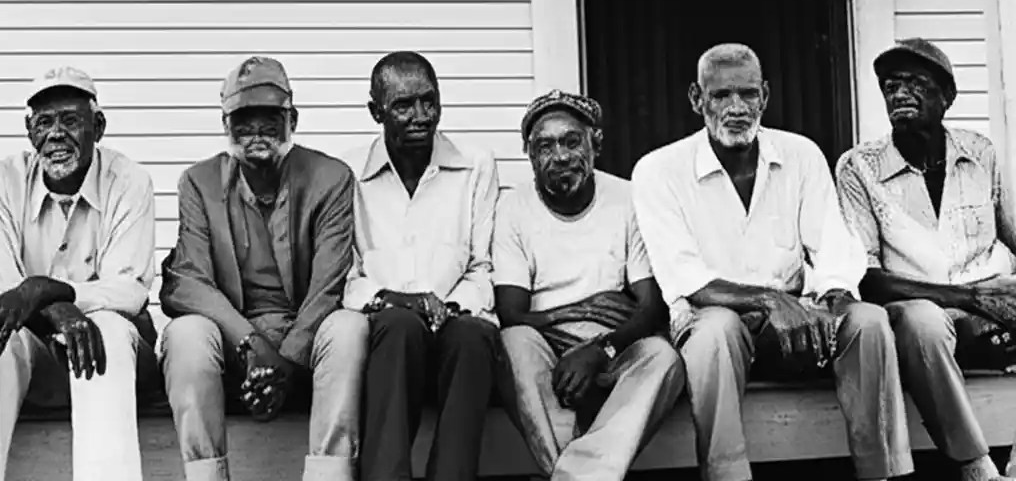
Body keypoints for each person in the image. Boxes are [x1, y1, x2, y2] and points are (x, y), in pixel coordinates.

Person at [632, 43, 913, 481]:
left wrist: (835, 294)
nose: (737, 108)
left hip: (796, 314)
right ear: (695, 99)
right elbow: (686, 279)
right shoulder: (659, 169)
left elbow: (832, 242)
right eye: (721, 96)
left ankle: (884, 472)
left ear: (765, 95)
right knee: (714, 333)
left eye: (747, 94)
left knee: (869, 321)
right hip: (714, 318)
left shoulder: (800, 154)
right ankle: (727, 475)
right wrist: (769, 301)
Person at [158, 56, 367, 481]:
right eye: (243, 120)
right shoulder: (198, 182)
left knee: (349, 328)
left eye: (269, 118)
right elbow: (189, 281)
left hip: (305, 339)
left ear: (292, 118)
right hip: (236, 341)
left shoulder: (331, 177)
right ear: (225, 124)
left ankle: (328, 475)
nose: (256, 131)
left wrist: (285, 362)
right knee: (185, 334)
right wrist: (253, 346)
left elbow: (328, 285)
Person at [0, 66, 158, 481]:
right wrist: (53, 307)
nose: (56, 134)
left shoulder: (130, 181)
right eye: (44, 122)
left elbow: (129, 290)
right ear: (29, 131)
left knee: (106, 331)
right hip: (35, 358)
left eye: (70, 120)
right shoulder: (0, 182)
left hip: (117, 361)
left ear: (98, 126)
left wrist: (46, 290)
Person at [837, 38, 1016, 481]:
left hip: (992, 295)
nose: (899, 93)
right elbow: (867, 278)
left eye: (916, 82)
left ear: (947, 97)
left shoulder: (981, 153)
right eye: (890, 84)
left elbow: (1011, 229)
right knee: (925, 323)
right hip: (918, 306)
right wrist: (970, 298)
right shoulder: (858, 167)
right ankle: (976, 465)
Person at [494, 90, 684, 481]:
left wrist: (602, 348)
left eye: (571, 141)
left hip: (615, 342)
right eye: (544, 146)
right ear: (529, 156)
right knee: (512, 344)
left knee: (663, 359)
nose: (560, 155)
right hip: (545, 340)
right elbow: (512, 313)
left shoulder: (628, 197)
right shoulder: (513, 209)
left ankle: (574, 474)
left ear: (595, 143)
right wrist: (579, 310)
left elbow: (651, 306)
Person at [344, 51, 501, 481]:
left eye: (429, 101)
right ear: (375, 110)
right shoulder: (347, 174)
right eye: (403, 105)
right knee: (399, 328)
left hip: (454, 320)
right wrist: (392, 300)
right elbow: (346, 274)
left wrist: (447, 308)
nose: (421, 116)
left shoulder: (476, 165)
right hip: (387, 330)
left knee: (474, 336)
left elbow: (482, 266)